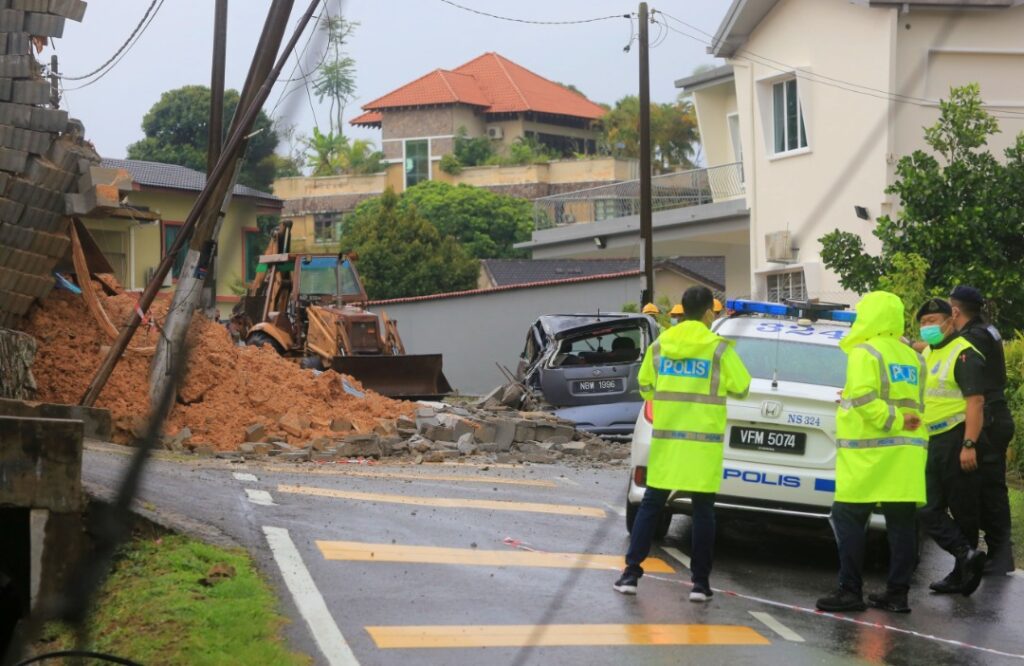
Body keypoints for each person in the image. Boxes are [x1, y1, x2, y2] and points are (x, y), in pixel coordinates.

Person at [613, 286, 751, 602]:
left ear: (682, 310)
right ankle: (700, 585)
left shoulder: (661, 345)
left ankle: (630, 574)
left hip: (668, 444)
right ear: (708, 313)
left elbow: (645, 386)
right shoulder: (718, 349)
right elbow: (742, 387)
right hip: (702, 448)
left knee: (651, 505)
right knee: (703, 512)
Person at [816, 291, 927, 614]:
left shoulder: (865, 352)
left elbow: (866, 399)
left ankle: (850, 590)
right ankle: (897, 594)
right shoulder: (914, 357)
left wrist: (891, 418)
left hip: (868, 455)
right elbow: (911, 402)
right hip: (906, 453)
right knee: (902, 524)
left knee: (847, 517)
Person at [915, 298, 987, 595]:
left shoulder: (964, 354)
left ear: (949, 321)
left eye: (933, 321)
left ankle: (962, 575)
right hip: (932, 440)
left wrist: (969, 444)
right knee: (926, 506)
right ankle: (965, 555)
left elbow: (976, 402)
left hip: (956, 438)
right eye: (923, 323)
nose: (928, 327)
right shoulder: (930, 351)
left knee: (962, 510)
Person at [949, 286, 1016, 574]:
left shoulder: (973, 337)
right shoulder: (987, 329)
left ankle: (998, 556)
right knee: (990, 488)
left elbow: (948, 349)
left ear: (955, 310)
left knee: (989, 490)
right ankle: (998, 554)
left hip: (988, 420)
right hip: (995, 416)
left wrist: (913, 345)